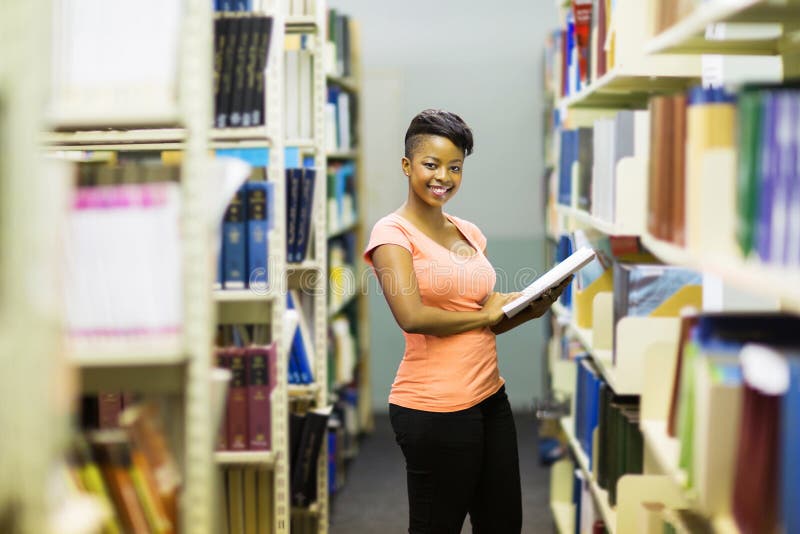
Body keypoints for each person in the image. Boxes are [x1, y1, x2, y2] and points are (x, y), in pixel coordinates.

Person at [363, 109, 570, 533]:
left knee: (503, 524)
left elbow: (484, 318)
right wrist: (486, 313)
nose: (443, 177)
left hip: (490, 398)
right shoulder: (391, 235)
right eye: (431, 164)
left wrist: (526, 309)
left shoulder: (468, 232)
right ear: (407, 166)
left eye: (454, 167)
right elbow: (411, 316)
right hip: (434, 407)